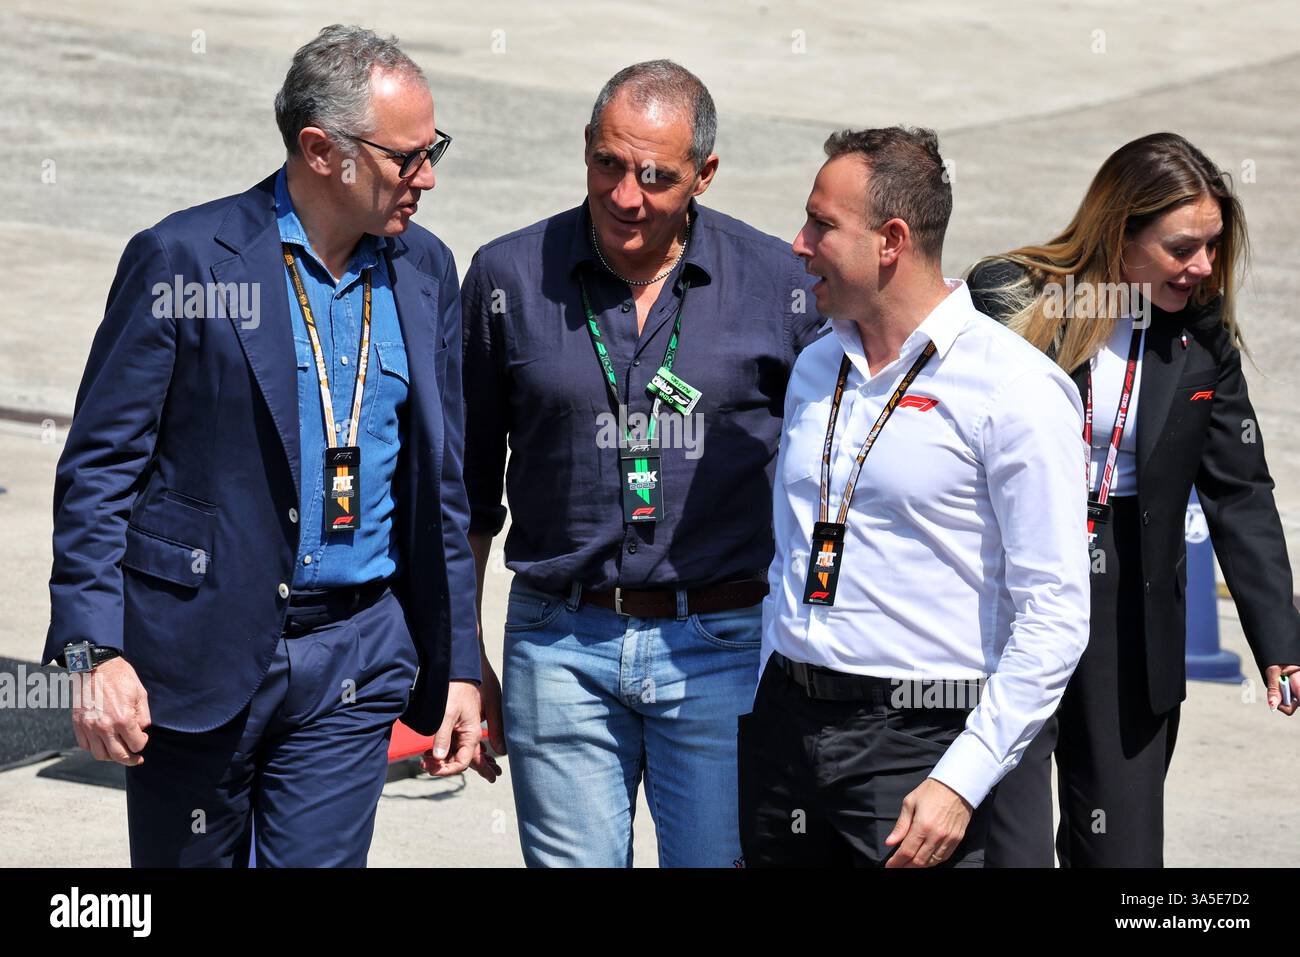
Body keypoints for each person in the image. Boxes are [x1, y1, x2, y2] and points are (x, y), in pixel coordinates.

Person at [43, 24, 492, 867]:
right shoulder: (186, 259)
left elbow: (443, 488)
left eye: (435, 149)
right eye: (407, 157)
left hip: (355, 661)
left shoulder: (426, 269)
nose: (427, 176)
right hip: (196, 658)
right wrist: (92, 650)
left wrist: (459, 660)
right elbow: (101, 470)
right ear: (322, 150)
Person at [460, 60, 824, 867]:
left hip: (724, 646)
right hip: (558, 647)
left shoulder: (782, 286)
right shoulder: (507, 278)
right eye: (607, 164)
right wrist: (462, 655)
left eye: (657, 176)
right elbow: (467, 491)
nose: (626, 195)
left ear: (705, 173)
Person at [740, 126, 1091, 868]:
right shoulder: (814, 365)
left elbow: (1056, 613)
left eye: (821, 224)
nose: (798, 243)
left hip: (919, 746)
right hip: (787, 732)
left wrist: (961, 781)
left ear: (890, 240)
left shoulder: (1014, 390)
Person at [970, 131, 1300, 868]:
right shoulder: (1007, 296)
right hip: (1015, 585)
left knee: (1122, 855)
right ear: (1121, 232)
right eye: (1183, 247)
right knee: (1009, 851)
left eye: (1213, 247)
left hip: (1128, 597)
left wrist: (1280, 638)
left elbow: (1240, 489)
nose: (1204, 267)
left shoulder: (1203, 336)